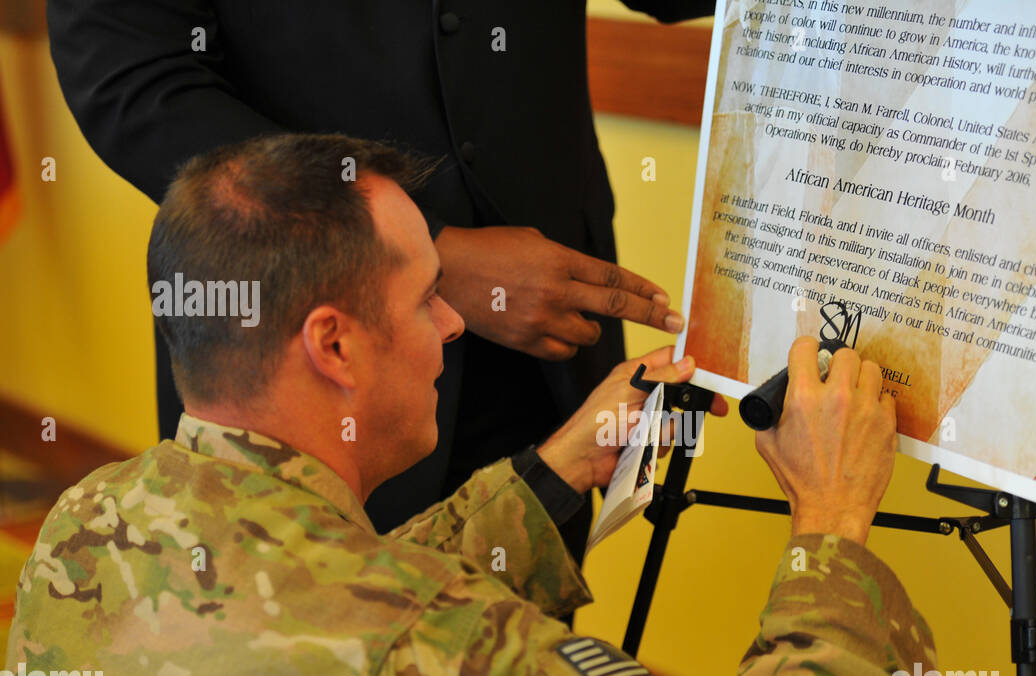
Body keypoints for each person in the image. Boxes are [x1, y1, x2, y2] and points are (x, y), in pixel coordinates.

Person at [0, 134, 937, 676]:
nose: (453, 324)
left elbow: (330, 604)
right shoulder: (458, 660)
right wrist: (831, 522)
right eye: (426, 298)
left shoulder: (85, 522)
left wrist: (555, 470)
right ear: (334, 346)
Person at [45, 0, 716, 549]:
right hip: (297, 355)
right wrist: (433, 255)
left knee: (517, 645)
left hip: (540, 346)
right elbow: (130, 79)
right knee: (298, 647)